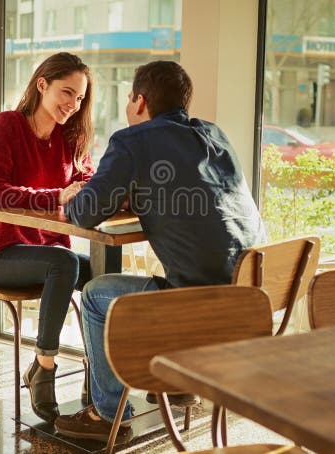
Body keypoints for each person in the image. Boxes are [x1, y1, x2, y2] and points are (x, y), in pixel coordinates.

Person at [54, 60, 266, 444]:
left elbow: (86, 213)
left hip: (194, 306)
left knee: (96, 294)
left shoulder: (133, 141)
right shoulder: (213, 134)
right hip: (246, 300)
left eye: (129, 99)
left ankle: (107, 415)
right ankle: (177, 381)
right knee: (179, 272)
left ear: (139, 101)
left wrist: (71, 198)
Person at [0, 52, 95, 423]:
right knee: (63, 262)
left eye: (80, 98)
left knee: (101, 273)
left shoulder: (69, 140)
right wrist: (55, 196)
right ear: (42, 84)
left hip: (42, 255)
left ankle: (98, 373)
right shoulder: (8, 126)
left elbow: (89, 181)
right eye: (67, 93)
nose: (73, 104)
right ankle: (43, 368)